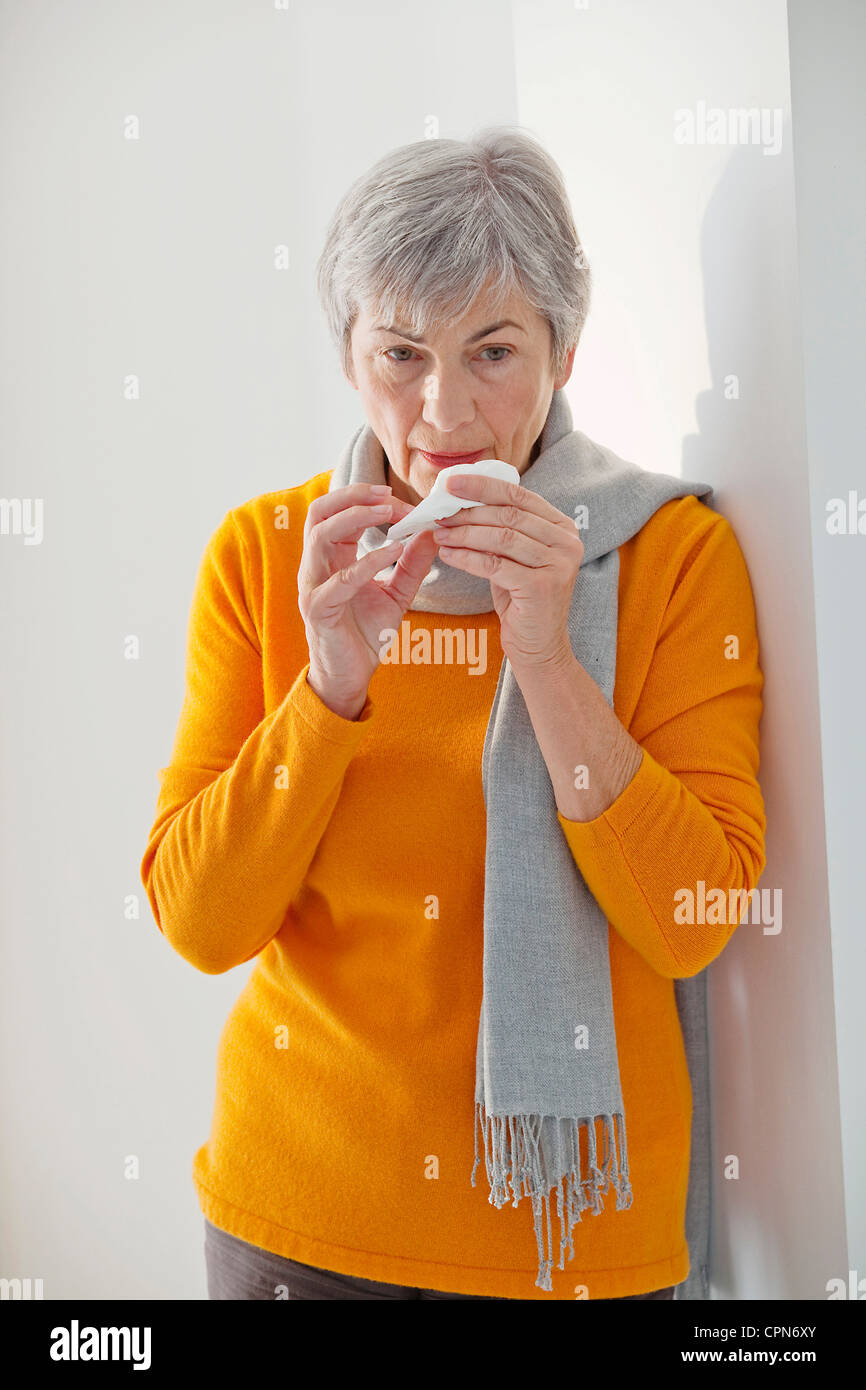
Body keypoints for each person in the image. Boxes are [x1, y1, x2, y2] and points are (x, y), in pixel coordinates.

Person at [141, 126, 766, 1301]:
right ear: (346, 357)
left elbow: (691, 918)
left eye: (491, 352)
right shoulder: (267, 555)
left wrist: (546, 658)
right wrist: (329, 683)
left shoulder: (671, 557)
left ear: (562, 352)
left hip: (567, 1246)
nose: (443, 410)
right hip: (296, 1223)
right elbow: (201, 923)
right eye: (398, 354)